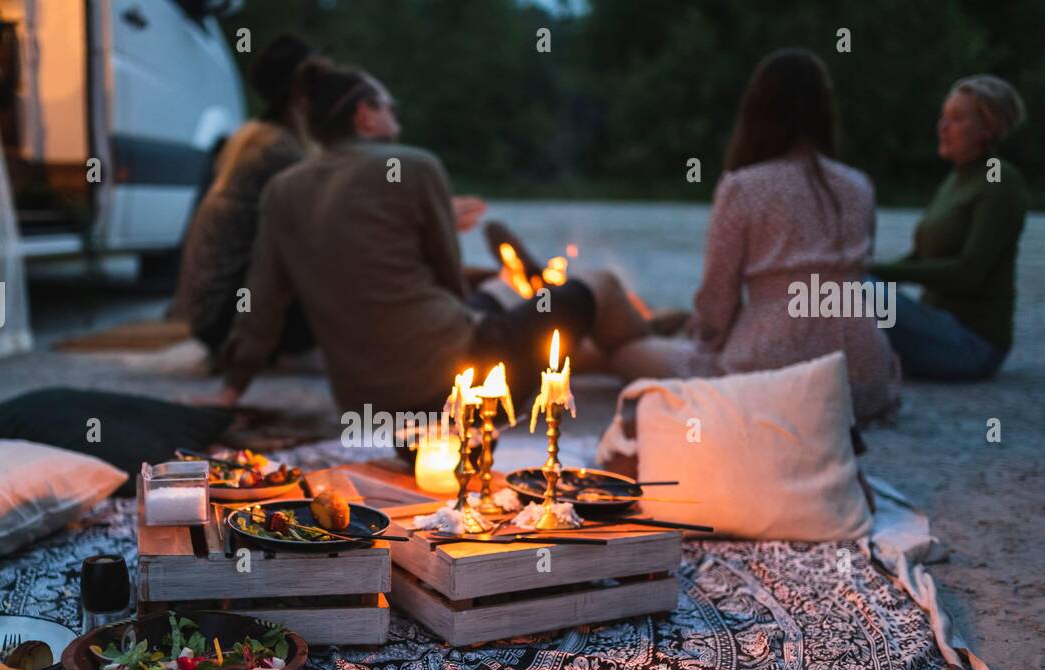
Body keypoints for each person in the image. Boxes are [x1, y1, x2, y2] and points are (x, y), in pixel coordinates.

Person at [212, 58, 655, 414]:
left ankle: (609, 348)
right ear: (365, 115)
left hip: (365, 402)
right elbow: (449, 282)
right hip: (459, 385)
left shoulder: (282, 190)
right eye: (391, 109)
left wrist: (229, 391)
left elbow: (261, 303)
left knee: (504, 291)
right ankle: (673, 366)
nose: (397, 122)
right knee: (600, 286)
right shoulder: (413, 164)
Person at [602, 49, 902, 423]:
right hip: (861, 377)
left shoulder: (744, 187)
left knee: (627, 354)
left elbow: (717, 299)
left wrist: (703, 337)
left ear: (758, 110)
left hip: (773, 375)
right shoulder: (860, 185)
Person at [164, 34, 317, 358]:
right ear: (300, 90)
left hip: (207, 317)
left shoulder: (251, 136)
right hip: (224, 322)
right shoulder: (279, 150)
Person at [869, 75, 1028, 379]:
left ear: (988, 127)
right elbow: (920, 257)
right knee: (833, 289)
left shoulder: (999, 180)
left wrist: (872, 274)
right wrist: (859, 270)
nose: (943, 126)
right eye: (943, 116)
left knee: (856, 291)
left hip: (972, 345)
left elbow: (969, 272)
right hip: (938, 325)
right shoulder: (955, 179)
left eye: (956, 118)